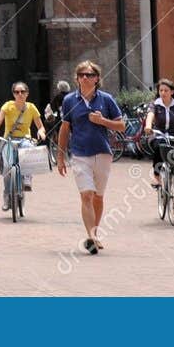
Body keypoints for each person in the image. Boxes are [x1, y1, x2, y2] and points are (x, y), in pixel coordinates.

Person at [55, 60, 125, 254]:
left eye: (90, 75)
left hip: (102, 153)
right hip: (79, 154)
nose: (86, 77)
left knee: (98, 197)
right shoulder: (69, 100)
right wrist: (60, 157)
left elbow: (121, 126)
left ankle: (96, 231)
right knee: (86, 194)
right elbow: (65, 128)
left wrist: (102, 121)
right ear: (77, 78)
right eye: (82, 75)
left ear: (97, 79)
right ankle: (91, 237)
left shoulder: (106, 99)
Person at [0, 82, 46, 208]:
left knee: (28, 148)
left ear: (27, 93)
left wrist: (41, 132)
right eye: (16, 92)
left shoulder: (31, 108)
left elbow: (40, 126)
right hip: (9, 139)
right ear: (13, 94)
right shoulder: (8, 106)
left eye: (22, 92)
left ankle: (27, 179)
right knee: (7, 167)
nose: (19, 94)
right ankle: (7, 196)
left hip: (24, 139)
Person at [142, 78, 174, 188]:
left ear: (172, 92)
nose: (163, 93)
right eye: (161, 90)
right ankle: (157, 176)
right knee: (159, 147)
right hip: (158, 134)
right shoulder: (155, 104)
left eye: (166, 90)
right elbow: (150, 115)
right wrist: (148, 126)